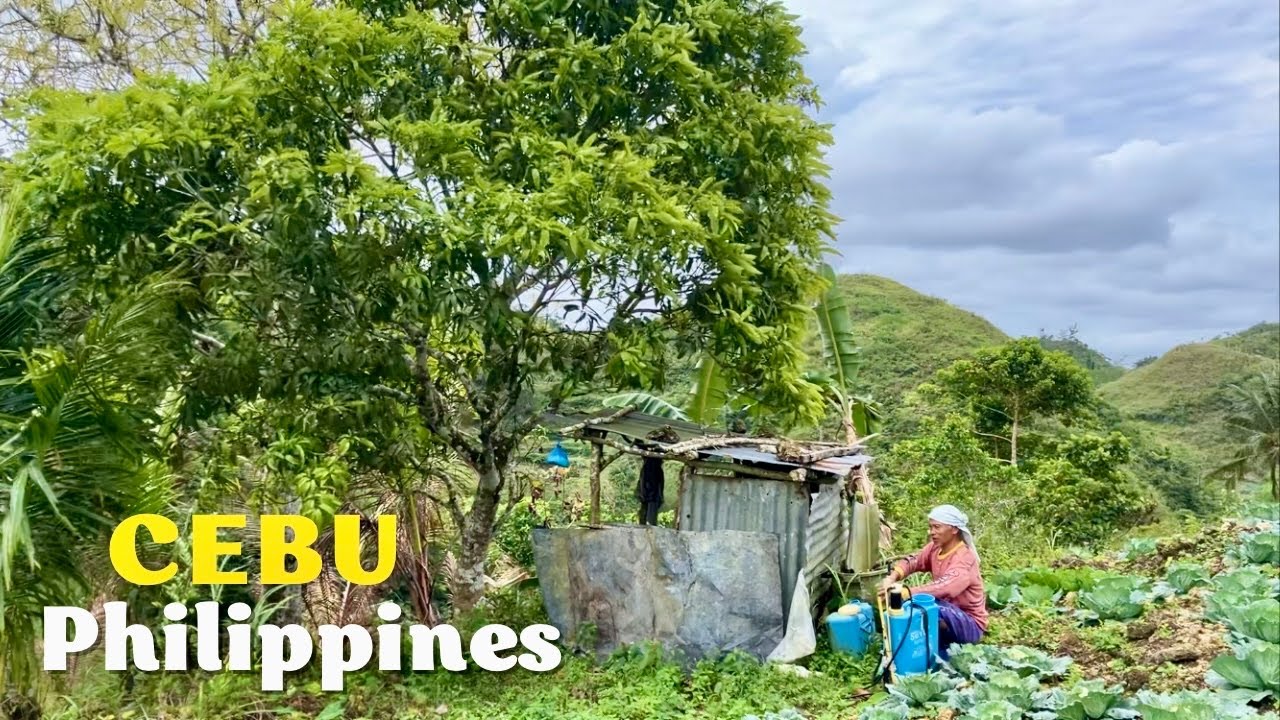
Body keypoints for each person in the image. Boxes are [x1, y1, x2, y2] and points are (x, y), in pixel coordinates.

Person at [878, 505, 987, 657]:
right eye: (930, 527)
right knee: (919, 605)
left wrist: (907, 592)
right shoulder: (935, 548)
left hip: (969, 623)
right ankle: (925, 649)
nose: (931, 532)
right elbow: (914, 561)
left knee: (925, 605)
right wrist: (892, 577)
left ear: (954, 529)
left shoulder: (964, 559)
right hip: (948, 611)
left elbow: (946, 587)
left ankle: (940, 649)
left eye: (937, 527)